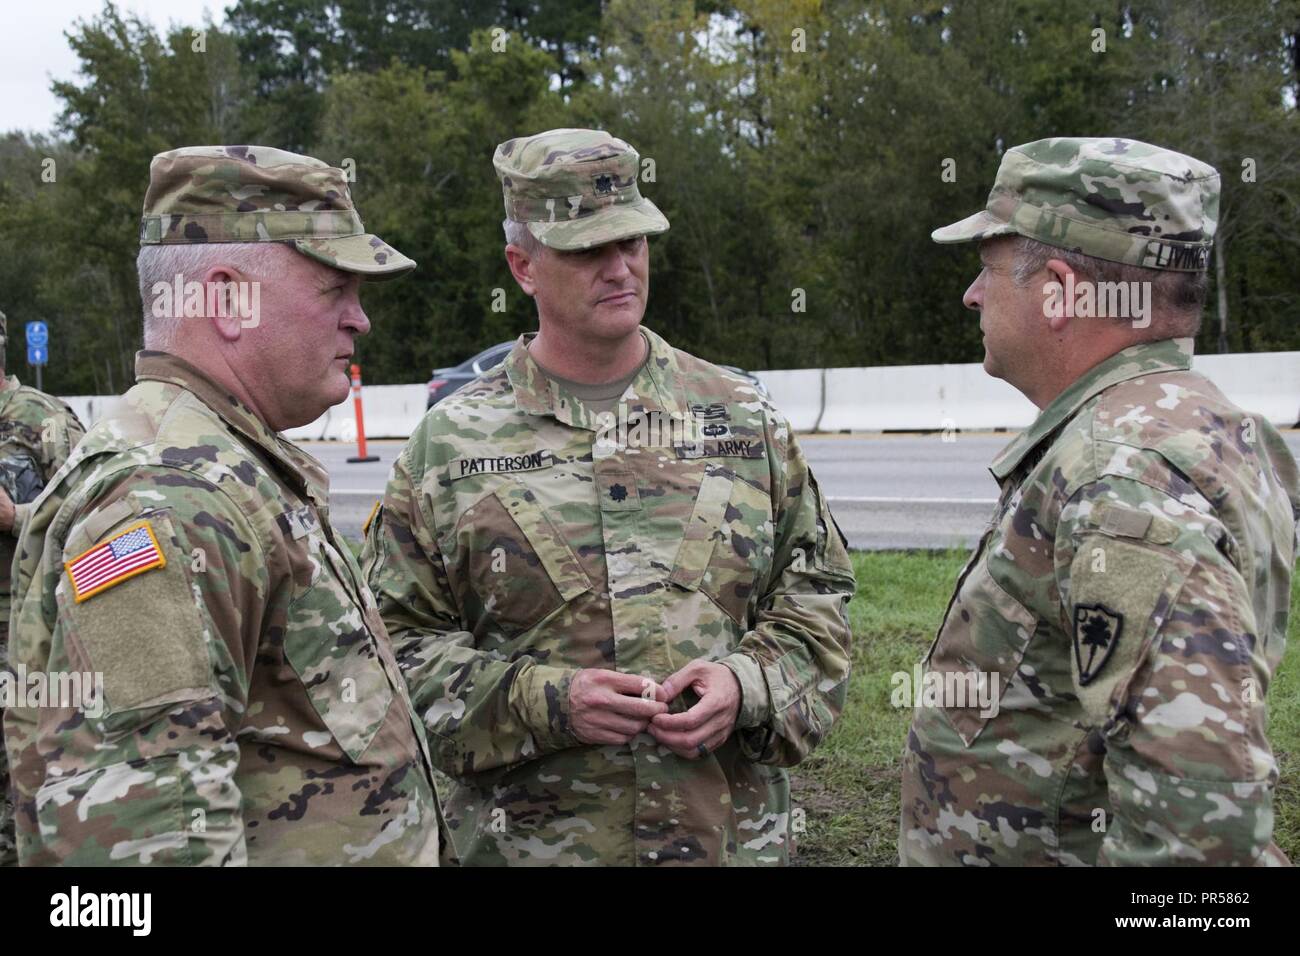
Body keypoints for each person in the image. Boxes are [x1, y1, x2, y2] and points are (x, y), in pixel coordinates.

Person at [363, 127, 856, 866]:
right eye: (588, 249)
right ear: (522, 266)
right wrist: (544, 703)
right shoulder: (450, 447)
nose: (619, 267)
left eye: (632, 242)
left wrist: (744, 682)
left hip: (722, 843)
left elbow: (818, 596)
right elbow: (390, 655)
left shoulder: (742, 418)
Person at [4, 145, 443, 865]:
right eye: (337, 289)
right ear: (229, 300)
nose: (360, 319)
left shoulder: (224, 466)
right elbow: (147, 849)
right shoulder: (172, 500)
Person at [900, 137, 1300, 866]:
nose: (973, 293)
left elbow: (1200, 842)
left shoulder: (1119, 478)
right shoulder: (1206, 422)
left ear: (1057, 290)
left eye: (988, 267)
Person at [0, 308, 86, 866]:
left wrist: (15, 516)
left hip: (21, 642)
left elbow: (94, 516)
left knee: (21, 778)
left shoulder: (42, 419)